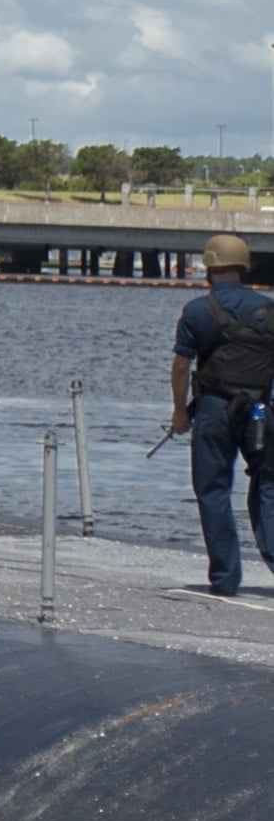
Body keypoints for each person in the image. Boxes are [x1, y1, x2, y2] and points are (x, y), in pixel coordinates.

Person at [171, 232, 274, 595]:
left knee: (213, 489)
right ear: (243, 266)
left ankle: (225, 579)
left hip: (214, 408)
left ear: (209, 268)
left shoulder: (197, 311)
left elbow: (182, 366)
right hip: (261, 410)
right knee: (268, 486)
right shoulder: (269, 308)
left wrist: (180, 412)